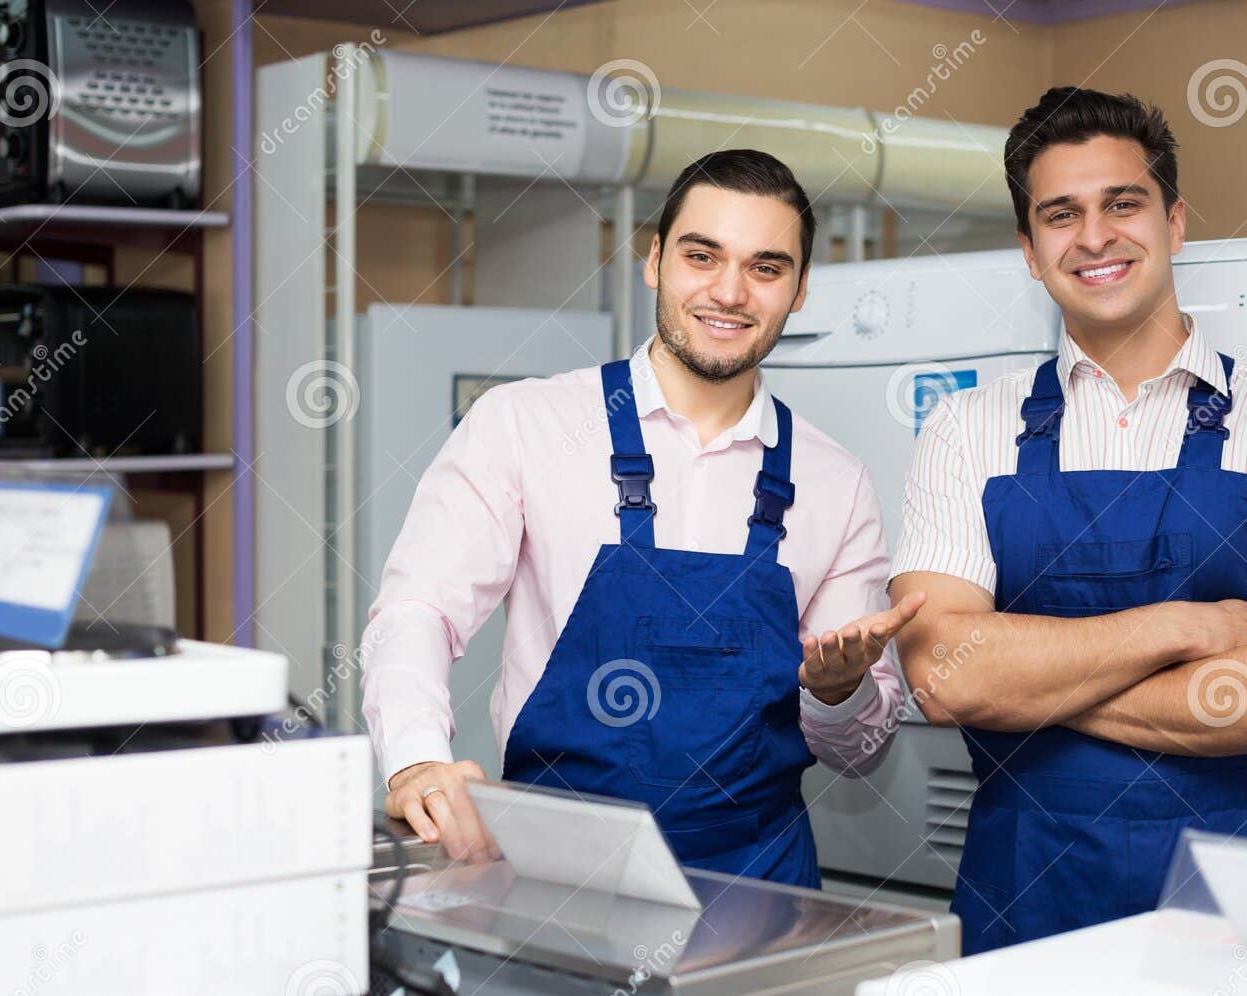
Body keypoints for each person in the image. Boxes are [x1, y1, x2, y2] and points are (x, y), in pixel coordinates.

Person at [891, 88, 1247, 953]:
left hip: (1237, 908)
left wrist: (1032, 687)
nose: (1095, 237)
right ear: (1030, 250)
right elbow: (946, 676)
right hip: (1024, 893)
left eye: (1123, 203)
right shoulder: (965, 430)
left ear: (1174, 222)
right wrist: (1179, 627)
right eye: (1061, 214)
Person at [362, 149, 924, 888]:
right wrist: (415, 758)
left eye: (766, 267)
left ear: (800, 288)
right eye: (702, 256)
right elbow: (419, 610)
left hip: (760, 883)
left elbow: (858, 756)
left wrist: (839, 692)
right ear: (655, 260)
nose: (730, 292)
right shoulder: (524, 424)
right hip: (558, 873)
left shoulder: (836, 482)